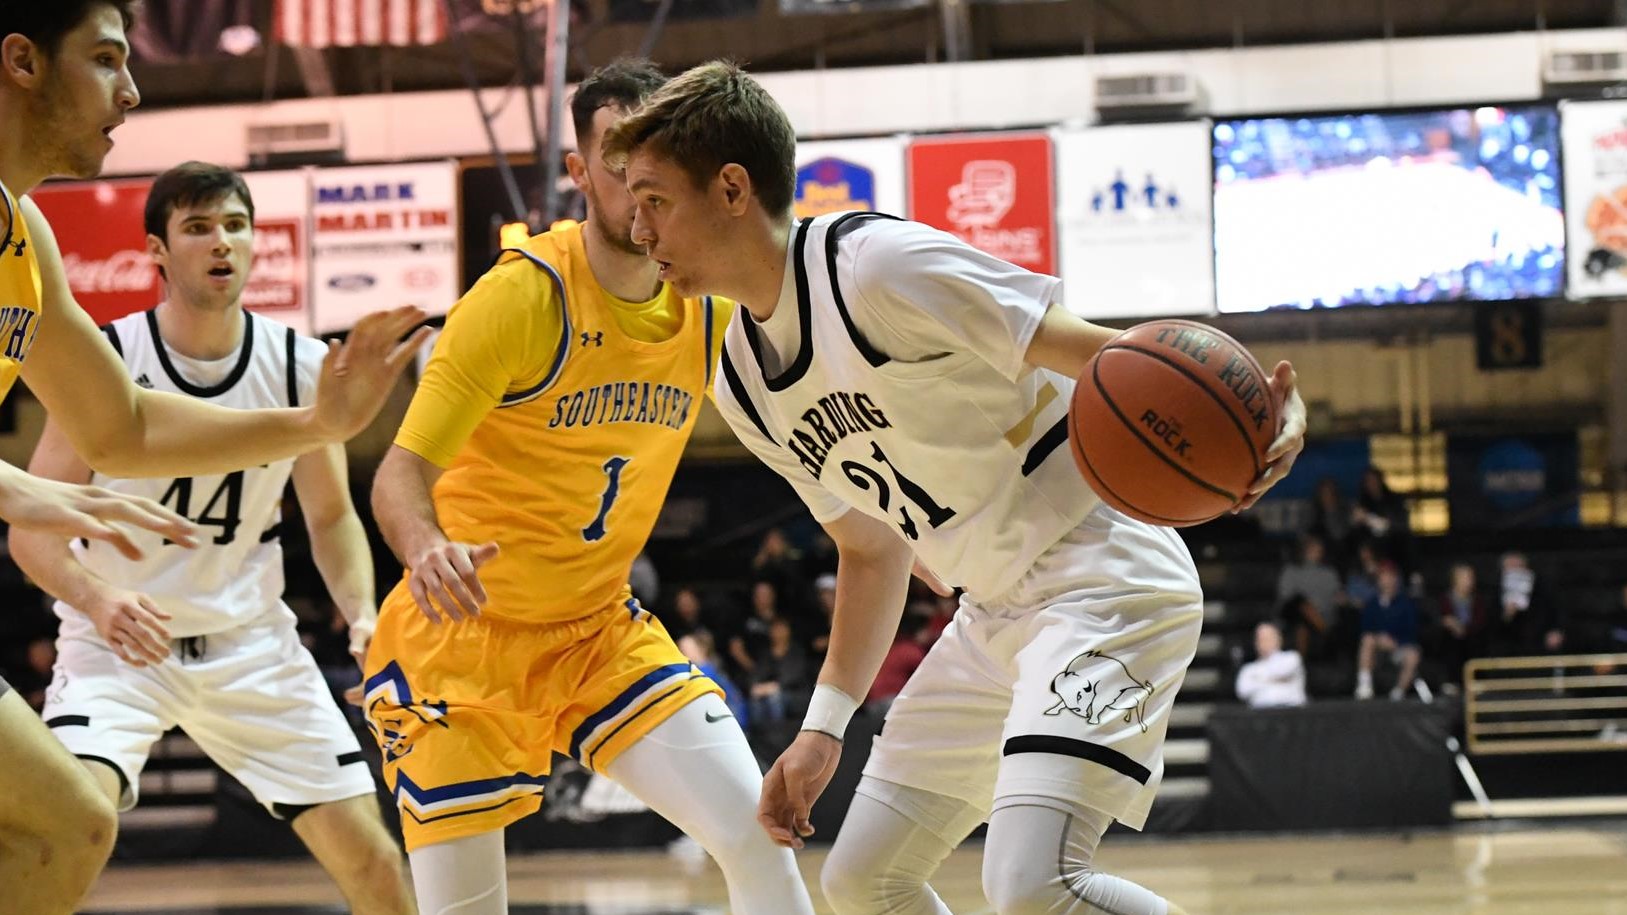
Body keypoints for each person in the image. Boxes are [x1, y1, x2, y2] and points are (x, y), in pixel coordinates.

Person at [604, 60, 1307, 915]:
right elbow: (870, 551)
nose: (637, 228)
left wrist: (1264, 414)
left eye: (653, 200)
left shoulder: (877, 267)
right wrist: (823, 727)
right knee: (864, 880)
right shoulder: (742, 388)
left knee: (1034, 883)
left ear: (730, 189)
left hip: (1102, 575)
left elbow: (1115, 360)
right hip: (988, 614)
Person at [360, 60, 814, 915]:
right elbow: (399, 471)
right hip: (466, 641)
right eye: (616, 157)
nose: (637, 180)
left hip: (597, 633)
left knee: (757, 832)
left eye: (654, 157)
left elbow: (804, 429)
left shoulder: (704, 299)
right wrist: (424, 549)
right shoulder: (520, 298)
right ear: (577, 170)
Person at [0, 5, 424, 911]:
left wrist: (317, 425)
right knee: (67, 821)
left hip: (250, 643)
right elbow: (74, 483)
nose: (131, 91)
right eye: (106, 59)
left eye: (235, 224)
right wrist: (77, 568)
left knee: (72, 826)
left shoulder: (23, 235)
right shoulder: (118, 338)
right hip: (119, 646)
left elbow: (126, 431)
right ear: (23, 62)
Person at [1356, 562, 1421, 700]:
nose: (1387, 581)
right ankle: (1364, 686)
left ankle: (1398, 693)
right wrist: (1380, 638)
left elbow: (1412, 631)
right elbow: (1366, 628)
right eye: (1383, 577)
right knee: (1367, 640)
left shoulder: (1406, 603)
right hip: (1378, 648)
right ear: (1379, 581)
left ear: (1396, 579)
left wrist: (1396, 642)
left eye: (1390, 577)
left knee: (1413, 655)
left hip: (1399, 647)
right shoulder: (1372, 604)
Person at [1234, 622, 1306, 708]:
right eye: (1260, 639)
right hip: (1261, 712)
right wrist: (1276, 680)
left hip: (1292, 710)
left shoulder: (1292, 657)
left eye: (1268, 638)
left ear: (1279, 639)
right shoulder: (1248, 669)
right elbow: (1242, 691)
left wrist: (1257, 679)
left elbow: (1281, 672)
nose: (1264, 642)